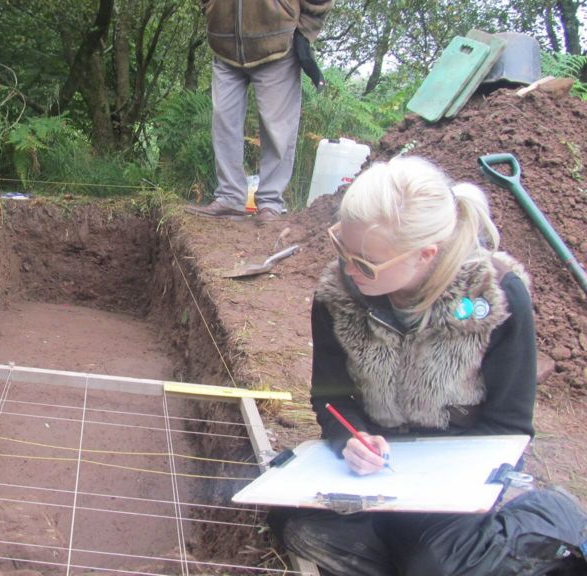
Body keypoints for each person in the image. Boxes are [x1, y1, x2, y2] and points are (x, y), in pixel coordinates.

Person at [266, 157, 587, 575]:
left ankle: (549, 514)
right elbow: (330, 398)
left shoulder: (496, 297)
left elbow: (509, 428)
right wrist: (352, 438)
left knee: (433, 562)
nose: (347, 268)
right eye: (340, 247)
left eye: (365, 262)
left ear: (425, 255)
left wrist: (431, 489)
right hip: (376, 470)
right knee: (296, 525)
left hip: (458, 474)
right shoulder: (338, 295)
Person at [187, 0, 333, 224]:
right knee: (223, 121)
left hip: (276, 42)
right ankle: (229, 198)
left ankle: (270, 203)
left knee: (277, 128)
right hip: (224, 43)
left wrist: (304, 31)